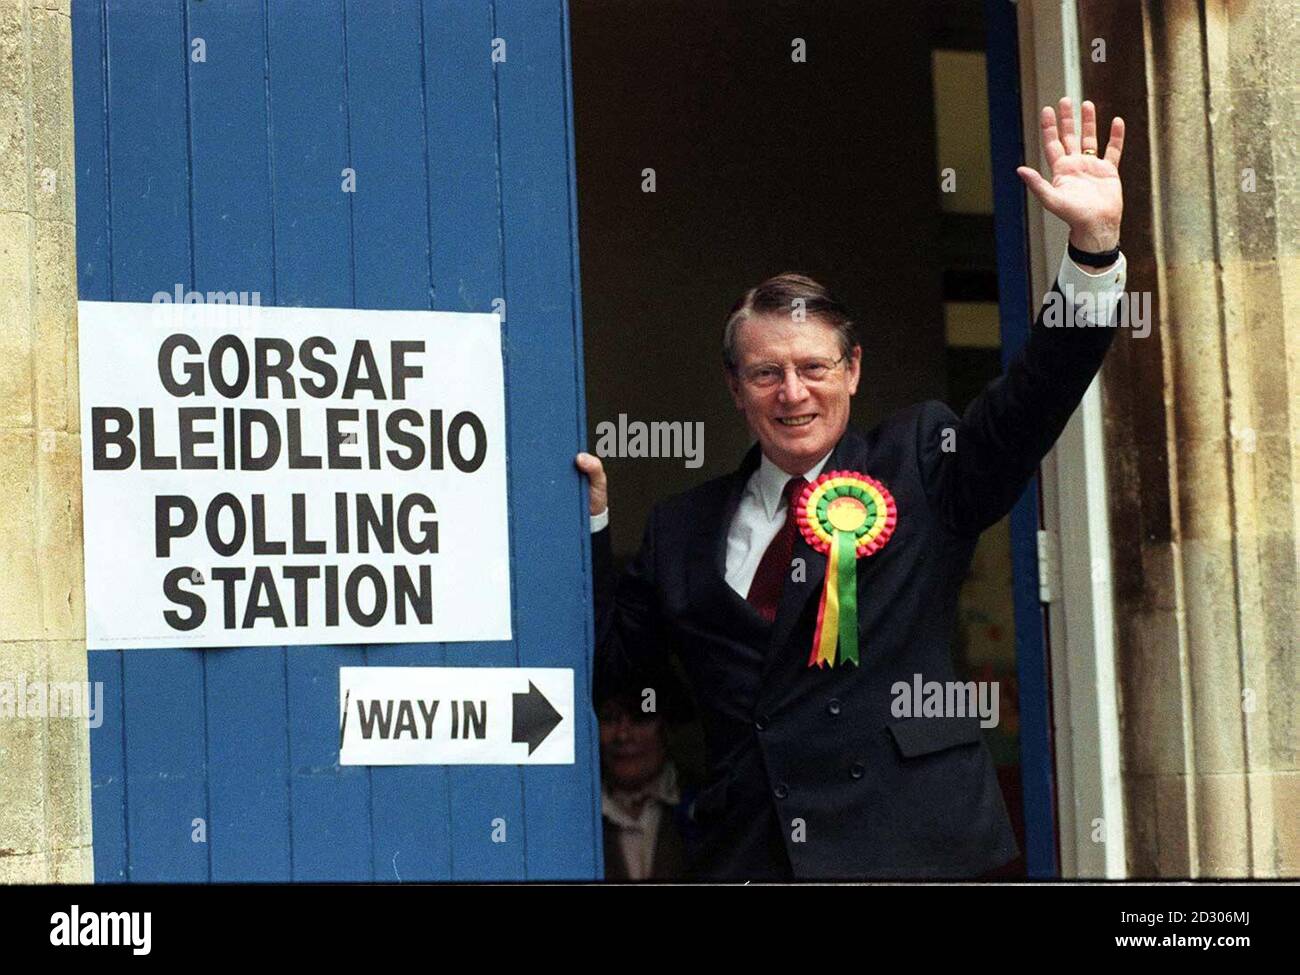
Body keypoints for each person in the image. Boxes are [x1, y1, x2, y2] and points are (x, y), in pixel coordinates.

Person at [577, 99, 1128, 879]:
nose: (792, 392)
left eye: (814, 367)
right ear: (735, 387)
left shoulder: (920, 460)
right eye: (766, 372)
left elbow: (1032, 399)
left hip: (909, 852)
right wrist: (588, 523)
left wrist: (1093, 252)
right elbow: (607, 668)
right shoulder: (680, 528)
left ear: (854, 371)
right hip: (755, 860)